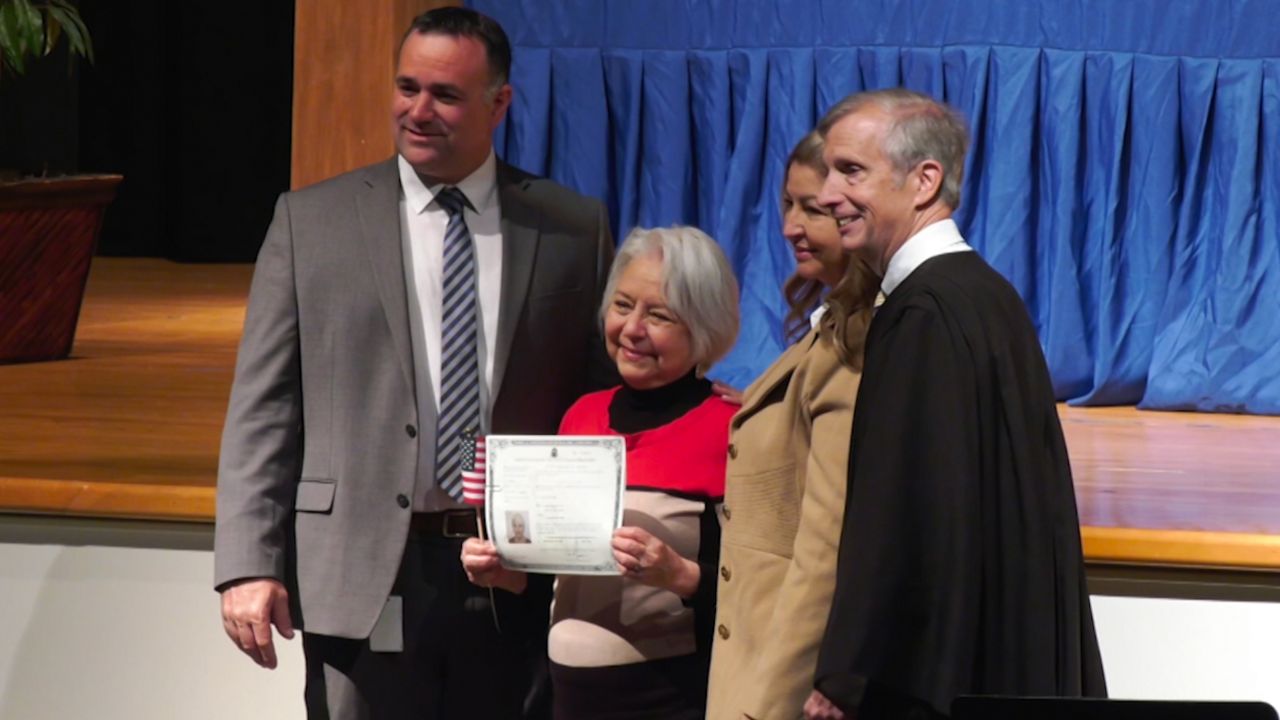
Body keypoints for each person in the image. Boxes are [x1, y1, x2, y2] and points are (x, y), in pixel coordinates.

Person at [213, 7, 614, 719]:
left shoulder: (568, 226)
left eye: (446, 95)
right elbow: (263, 410)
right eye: (407, 88)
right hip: (364, 572)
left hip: (511, 575)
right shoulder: (313, 222)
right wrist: (248, 562)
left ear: (500, 103)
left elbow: (597, 401)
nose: (418, 111)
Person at [804, 88, 1107, 720]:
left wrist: (849, 674)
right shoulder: (983, 294)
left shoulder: (924, 313)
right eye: (830, 171)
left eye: (851, 171)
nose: (829, 195)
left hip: (926, 685)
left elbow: (904, 512)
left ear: (925, 180)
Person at [462, 225, 740, 720]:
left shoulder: (733, 430)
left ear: (704, 328)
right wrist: (508, 576)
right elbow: (557, 586)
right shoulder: (580, 416)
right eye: (622, 305)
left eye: (659, 315)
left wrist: (679, 575)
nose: (632, 328)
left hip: (672, 699)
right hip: (566, 699)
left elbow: (760, 594)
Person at [705, 131, 879, 720]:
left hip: (779, 676)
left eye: (813, 209)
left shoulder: (857, 346)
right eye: (788, 204)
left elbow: (823, 548)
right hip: (755, 650)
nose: (789, 226)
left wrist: (771, 701)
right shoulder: (828, 328)